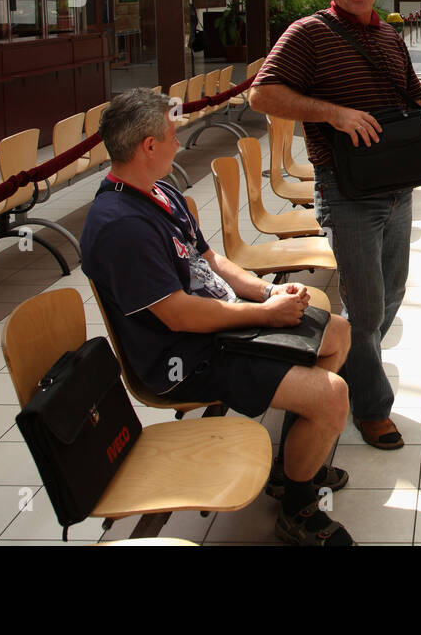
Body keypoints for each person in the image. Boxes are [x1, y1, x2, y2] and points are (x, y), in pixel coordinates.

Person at [80, 88, 356, 546]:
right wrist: (264, 316)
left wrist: (265, 291)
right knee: (333, 397)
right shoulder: (120, 225)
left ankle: (293, 467)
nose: (178, 141)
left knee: (339, 333)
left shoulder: (160, 191)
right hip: (186, 357)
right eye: (172, 134)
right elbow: (178, 315)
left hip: (222, 326)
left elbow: (212, 259)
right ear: (148, 146)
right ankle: (298, 507)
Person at [248, 0, 421, 452]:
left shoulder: (386, 36)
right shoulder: (308, 34)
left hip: (397, 186)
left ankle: (339, 369)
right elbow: (262, 93)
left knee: (391, 294)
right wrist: (333, 113)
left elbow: (410, 92)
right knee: (364, 308)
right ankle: (370, 407)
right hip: (346, 189)